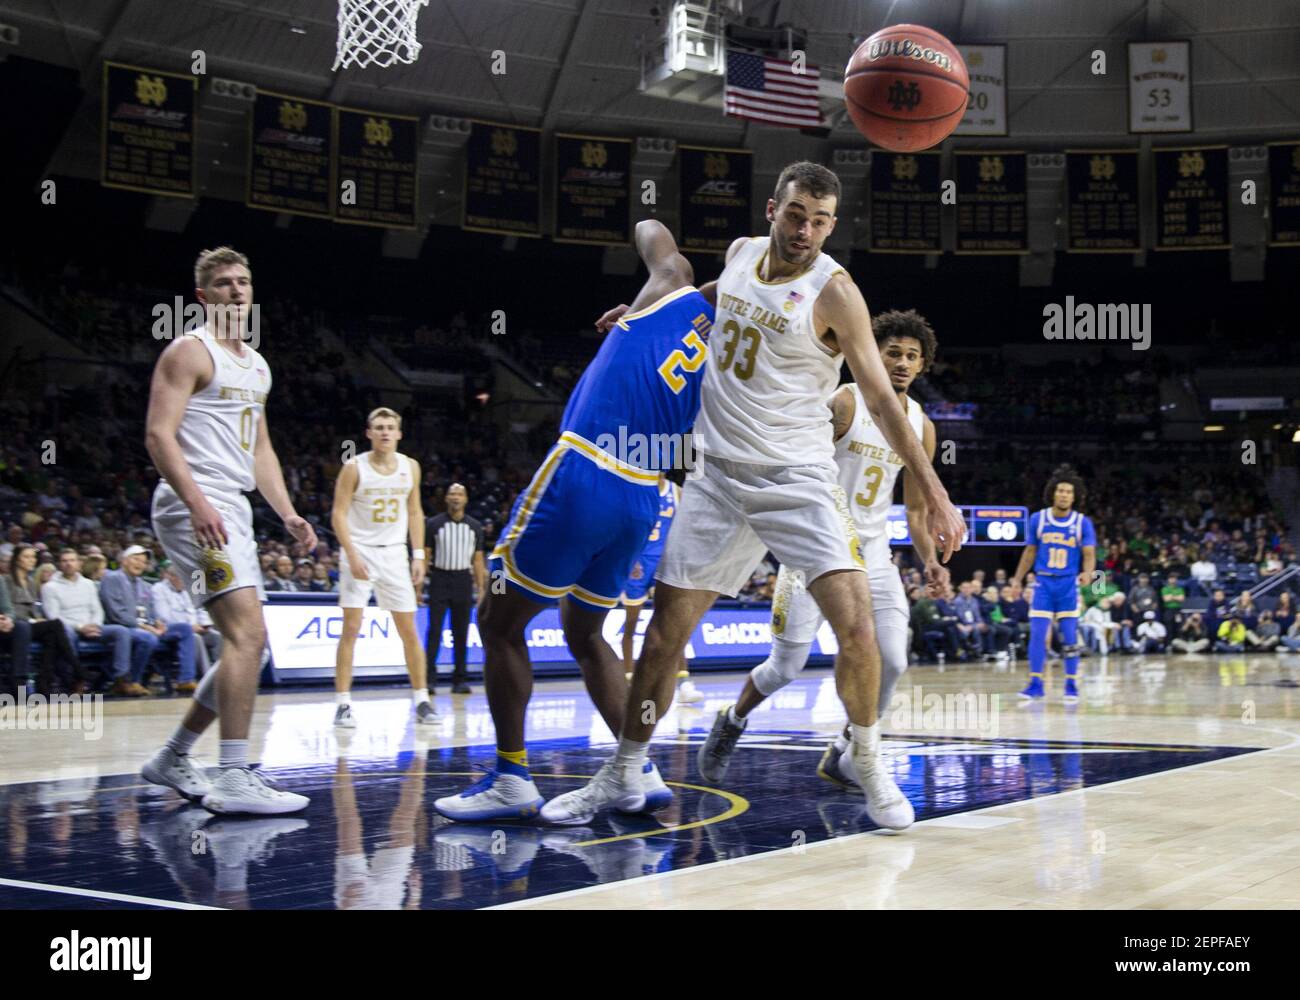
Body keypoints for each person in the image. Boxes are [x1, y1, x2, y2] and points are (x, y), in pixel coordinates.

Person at [540, 162, 965, 831]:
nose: (807, 231)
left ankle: (869, 764)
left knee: (858, 631)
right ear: (774, 208)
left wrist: (936, 494)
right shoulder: (740, 256)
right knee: (663, 638)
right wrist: (652, 313)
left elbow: (881, 397)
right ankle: (623, 770)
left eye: (821, 221)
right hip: (715, 478)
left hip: (796, 479)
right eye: (797, 215)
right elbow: (711, 297)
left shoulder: (836, 293)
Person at [434, 218, 718, 823]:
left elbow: (649, 227)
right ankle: (634, 767)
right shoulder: (732, 350)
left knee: (499, 620)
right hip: (646, 494)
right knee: (586, 631)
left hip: (587, 468)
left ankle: (512, 776)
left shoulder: (672, 282)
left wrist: (644, 298)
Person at [695, 309, 950, 787]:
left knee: (893, 659)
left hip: (874, 555)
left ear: (922, 366)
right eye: (892, 352)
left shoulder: (922, 426)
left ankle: (848, 750)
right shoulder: (845, 402)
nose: (901, 362)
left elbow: (915, 510)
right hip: (816, 550)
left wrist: (931, 561)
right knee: (785, 667)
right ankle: (733, 718)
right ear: (872, 354)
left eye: (911, 356)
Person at [138, 245, 317, 816]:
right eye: (222, 283)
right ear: (202, 296)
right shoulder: (189, 350)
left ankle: (174, 758)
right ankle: (236, 774)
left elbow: (259, 447)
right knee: (247, 636)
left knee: (246, 643)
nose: (236, 291)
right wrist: (196, 504)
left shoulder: (257, 364)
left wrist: (286, 512)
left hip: (232, 506)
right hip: (195, 505)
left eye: (243, 281)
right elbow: (158, 436)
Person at [331, 407, 435, 729]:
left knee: (409, 630)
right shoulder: (353, 467)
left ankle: (422, 700)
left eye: (391, 427)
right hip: (359, 550)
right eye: (379, 427)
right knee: (351, 629)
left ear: (399, 434)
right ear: (369, 433)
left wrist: (418, 554)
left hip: (393, 553)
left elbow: (415, 512)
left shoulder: (410, 467)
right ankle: (343, 704)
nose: (385, 432)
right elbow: (338, 514)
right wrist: (351, 554)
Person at [1010, 465, 1096, 703]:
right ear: (1053, 493)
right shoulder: (1038, 518)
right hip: (1044, 583)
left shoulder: (1082, 523)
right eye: (1060, 490)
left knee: (1069, 636)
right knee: (1038, 635)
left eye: (1069, 491)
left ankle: (1071, 684)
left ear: (1074, 495)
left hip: (1068, 584)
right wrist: (1017, 579)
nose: (1064, 495)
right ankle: (1035, 683)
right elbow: (1029, 551)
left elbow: (1089, 553)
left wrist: (1088, 573)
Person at [619, 473, 703, 706]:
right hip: (638, 565)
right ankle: (628, 681)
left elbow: (688, 527)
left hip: (665, 563)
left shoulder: (676, 491)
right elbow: (625, 525)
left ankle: (685, 684)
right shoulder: (635, 486)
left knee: (673, 625)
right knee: (631, 625)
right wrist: (629, 557)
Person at [101, 546, 197, 694]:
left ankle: (185, 680)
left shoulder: (145, 585)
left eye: (143, 562)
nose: (140, 564)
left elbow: (151, 611)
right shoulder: (112, 579)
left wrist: (158, 623)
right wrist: (146, 627)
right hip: (124, 628)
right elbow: (116, 614)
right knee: (147, 638)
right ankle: (132, 681)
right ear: (124, 561)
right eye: (136, 559)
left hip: (148, 627)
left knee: (184, 628)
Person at [41, 548, 134, 691]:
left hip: (91, 627)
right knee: (65, 633)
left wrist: (94, 625)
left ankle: (121, 680)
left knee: (121, 631)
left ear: (79, 563)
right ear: (59, 564)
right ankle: (75, 681)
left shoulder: (88, 584)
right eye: (64, 561)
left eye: (72, 560)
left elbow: (96, 609)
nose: (68, 564)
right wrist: (80, 627)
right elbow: (53, 617)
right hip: (68, 628)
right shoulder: (49, 587)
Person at [423, 482, 486, 695]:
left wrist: (482, 589)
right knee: (434, 632)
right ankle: (428, 680)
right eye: (452, 493)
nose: (456, 497)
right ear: (446, 499)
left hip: (463, 581)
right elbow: (426, 556)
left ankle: (459, 680)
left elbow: (478, 561)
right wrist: (418, 585)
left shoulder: (475, 526)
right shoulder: (433, 524)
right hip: (440, 578)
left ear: (466, 499)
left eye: (460, 493)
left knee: (461, 633)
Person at [7, 543, 87, 695]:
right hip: (15, 626)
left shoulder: (30, 582)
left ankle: (45, 681)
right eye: (27, 557)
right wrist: (33, 620)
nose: (32, 560)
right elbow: (9, 610)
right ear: (17, 559)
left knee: (52, 634)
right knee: (55, 625)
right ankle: (79, 672)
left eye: (33, 557)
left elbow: (33, 609)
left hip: (29, 625)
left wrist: (38, 618)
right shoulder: (6, 580)